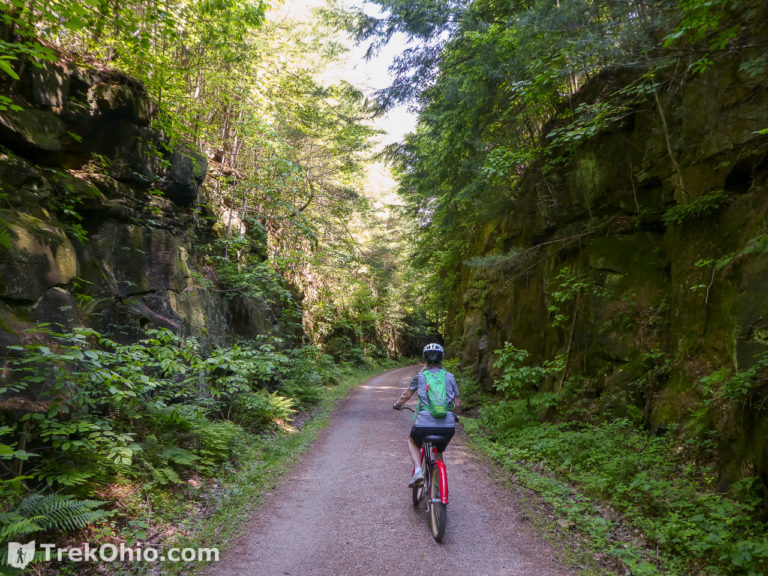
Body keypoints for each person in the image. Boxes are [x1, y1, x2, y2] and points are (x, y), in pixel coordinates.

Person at [393, 342, 460, 486]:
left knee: (412, 441)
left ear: (425, 358)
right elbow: (458, 403)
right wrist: (454, 415)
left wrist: (398, 405)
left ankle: (418, 471)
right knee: (439, 448)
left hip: (424, 424)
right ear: (441, 358)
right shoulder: (450, 377)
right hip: (447, 425)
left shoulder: (420, 377)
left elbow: (406, 395)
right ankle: (438, 483)